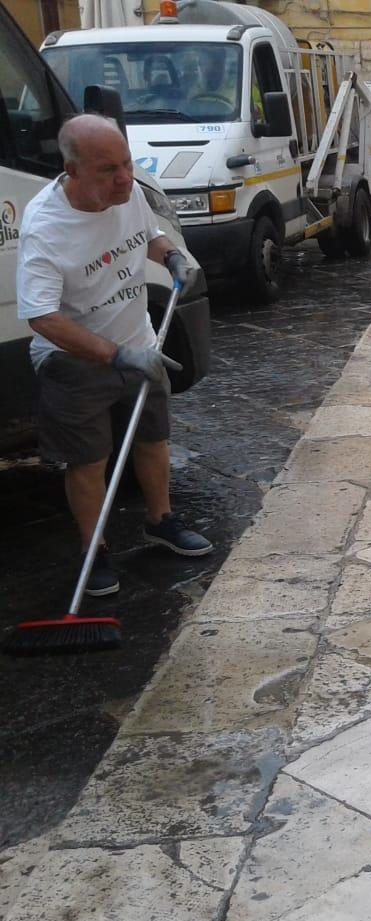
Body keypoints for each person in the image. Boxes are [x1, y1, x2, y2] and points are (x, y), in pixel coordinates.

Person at [16, 114, 210, 598]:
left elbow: (148, 234)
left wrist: (169, 255)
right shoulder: (46, 228)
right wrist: (114, 355)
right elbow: (41, 317)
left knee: (152, 439)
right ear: (73, 169)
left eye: (126, 163)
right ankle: (93, 548)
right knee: (89, 460)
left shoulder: (129, 191)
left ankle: (160, 520)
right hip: (76, 359)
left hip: (139, 342)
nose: (124, 177)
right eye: (108, 170)